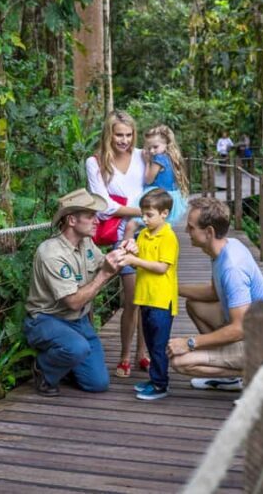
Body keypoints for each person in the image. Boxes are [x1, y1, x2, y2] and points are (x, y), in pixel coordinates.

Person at [24, 188, 136, 397]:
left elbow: (105, 263)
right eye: (90, 216)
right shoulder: (51, 253)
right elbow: (74, 302)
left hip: (79, 322)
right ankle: (44, 370)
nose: (97, 221)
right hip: (46, 320)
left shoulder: (86, 242)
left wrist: (124, 251)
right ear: (71, 221)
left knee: (98, 384)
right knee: (77, 348)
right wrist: (103, 275)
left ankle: (66, 363)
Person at [166, 197, 263, 391]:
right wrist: (172, 287)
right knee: (194, 304)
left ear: (209, 232)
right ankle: (229, 372)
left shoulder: (232, 267)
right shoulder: (225, 246)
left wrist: (190, 343)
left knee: (180, 362)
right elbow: (215, 293)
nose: (186, 232)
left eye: (191, 228)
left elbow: (239, 329)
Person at [86, 110, 148, 377]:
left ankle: (143, 354)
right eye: (118, 134)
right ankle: (124, 356)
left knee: (150, 298)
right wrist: (143, 211)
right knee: (132, 298)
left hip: (152, 232)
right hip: (121, 236)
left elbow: (160, 187)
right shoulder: (96, 162)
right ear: (108, 134)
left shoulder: (144, 156)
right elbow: (103, 207)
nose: (124, 140)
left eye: (128, 134)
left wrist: (150, 214)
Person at [118, 189, 179, 401]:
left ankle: (161, 385)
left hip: (162, 300)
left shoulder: (168, 237)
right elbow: (141, 258)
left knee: (159, 345)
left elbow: (162, 267)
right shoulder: (144, 234)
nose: (144, 219)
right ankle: (154, 379)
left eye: (149, 215)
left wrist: (134, 261)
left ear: (164, 213)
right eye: (142, 214)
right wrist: (131, 249)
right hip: (145, 297)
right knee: (152, 342)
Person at [123, 124, 189, 241]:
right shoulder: (170, 157)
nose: (152, 151)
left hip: (157, 197)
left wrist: (147, 162)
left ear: (166, 144)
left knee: (130, 226)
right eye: (149, 148)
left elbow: (149, 179)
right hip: (169, 196)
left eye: (155, 147)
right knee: (158, 229)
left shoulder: (158, 159)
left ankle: (125, 255)